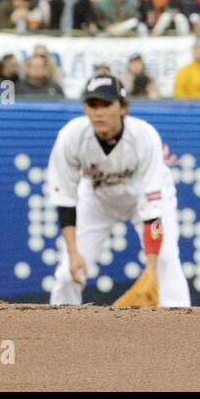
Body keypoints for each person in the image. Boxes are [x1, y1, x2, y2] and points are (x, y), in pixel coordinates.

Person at [47, 74, 189, 307]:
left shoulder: (143, 136)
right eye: (93, 105)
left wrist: (150, 270)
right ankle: (56, 335)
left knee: (166, 260)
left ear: (123, 107)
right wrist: (73, 253)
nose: (99, 112)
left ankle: (182, 334)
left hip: (141, 197)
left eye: (107, 104)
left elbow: (153, 211)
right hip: (96, 200)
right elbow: (66, 199)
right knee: (66, 274)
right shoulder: (71, 137)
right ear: (85, 109)